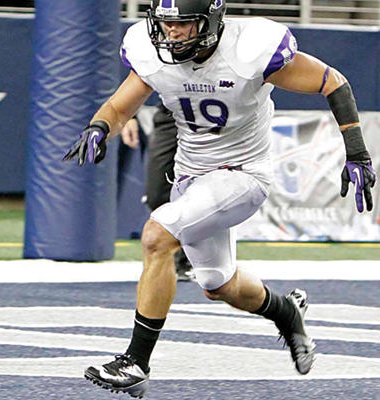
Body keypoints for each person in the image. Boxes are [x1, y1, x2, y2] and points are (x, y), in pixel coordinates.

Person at [63, 0, 375, 397]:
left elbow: (332, 81)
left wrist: (357, 152)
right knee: (218, 284)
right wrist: (98, 127)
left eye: (183, 25)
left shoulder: (250, 51)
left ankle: (136, 362)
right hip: (192, 176)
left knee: (157, 236)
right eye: (165, 25)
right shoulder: (154, 54)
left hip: (243, 175)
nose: (171, 33)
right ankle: (286, 312)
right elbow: (120, 104)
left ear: (210, 23)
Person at [121, 105, 196, 281]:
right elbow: (140, 79)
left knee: (205, 191)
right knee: (157, 193)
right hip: (171, 117)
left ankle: (186, 259)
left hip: (215, 121)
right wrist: (130, 115)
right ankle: (167, 255)